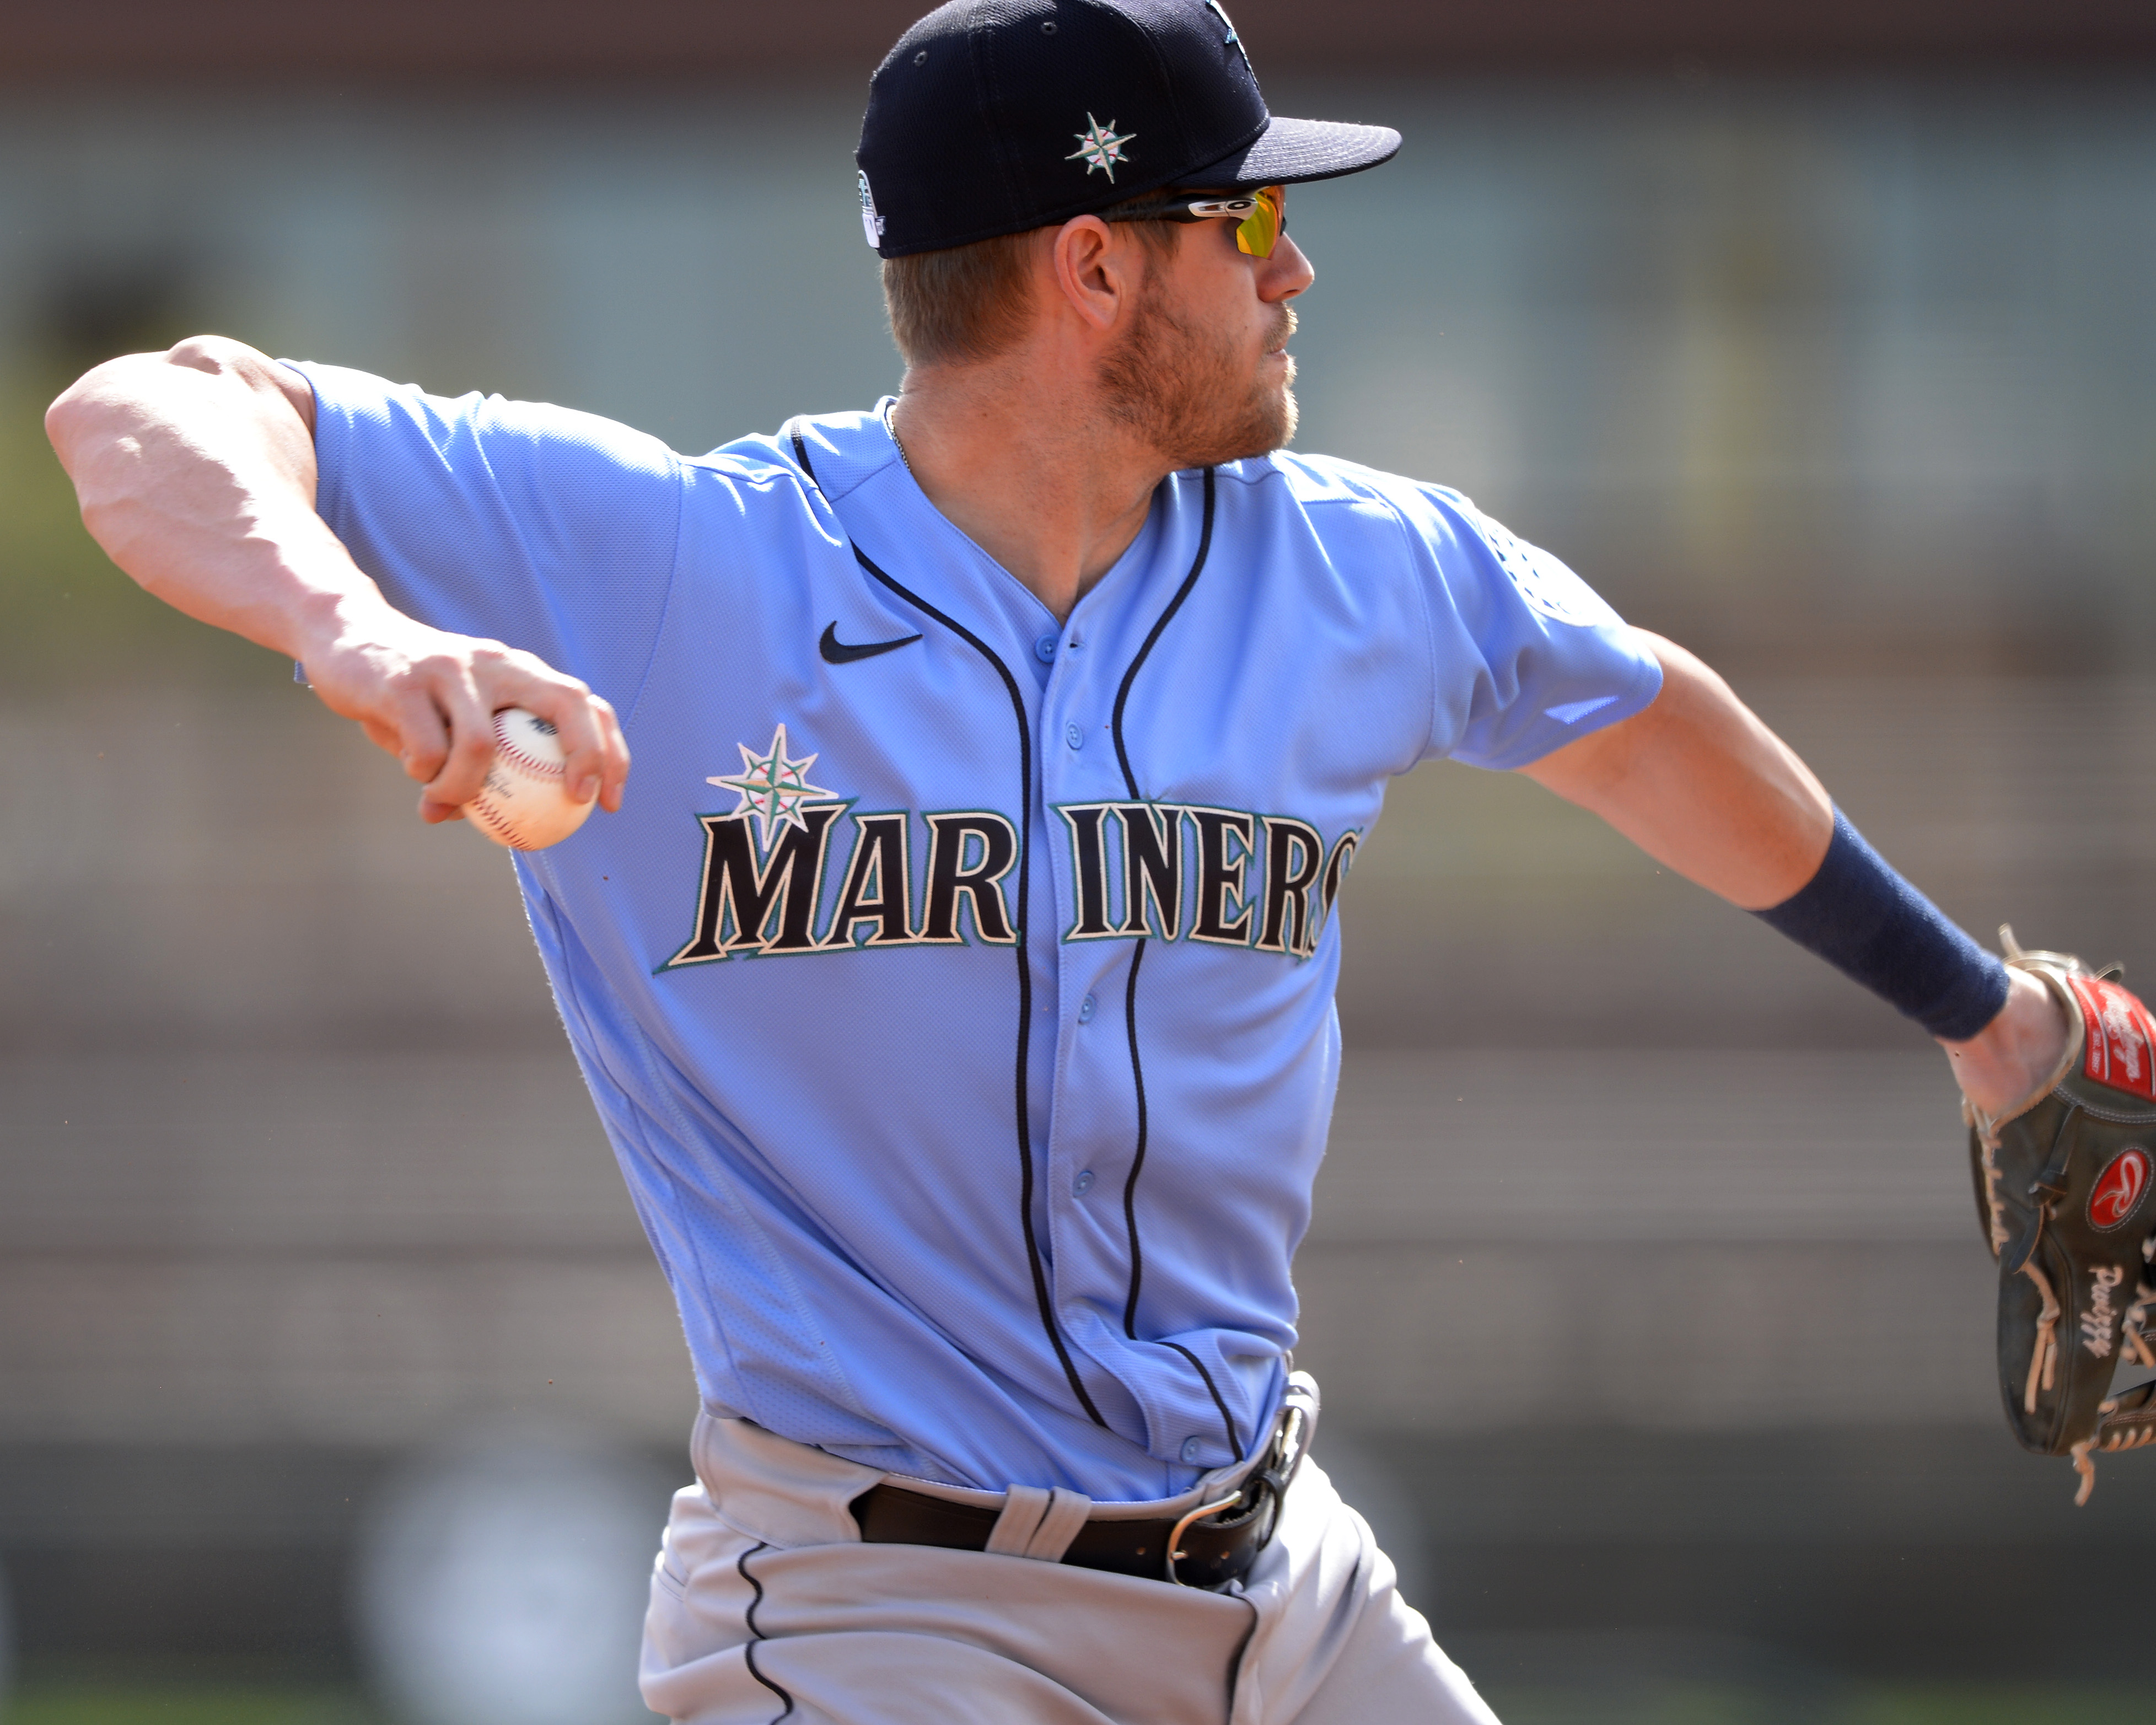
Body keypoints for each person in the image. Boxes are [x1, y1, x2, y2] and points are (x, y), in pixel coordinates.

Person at [46, 2, 2066, 1720]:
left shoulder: (1362, 570)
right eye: (1249, 213)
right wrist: (364, 632)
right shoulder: (684, 562)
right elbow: (147, 407)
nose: (1293, 266)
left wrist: (1985, 1018)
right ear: (1096, 268)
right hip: (877, 1606)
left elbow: (1638, 722)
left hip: (1284, 1591)